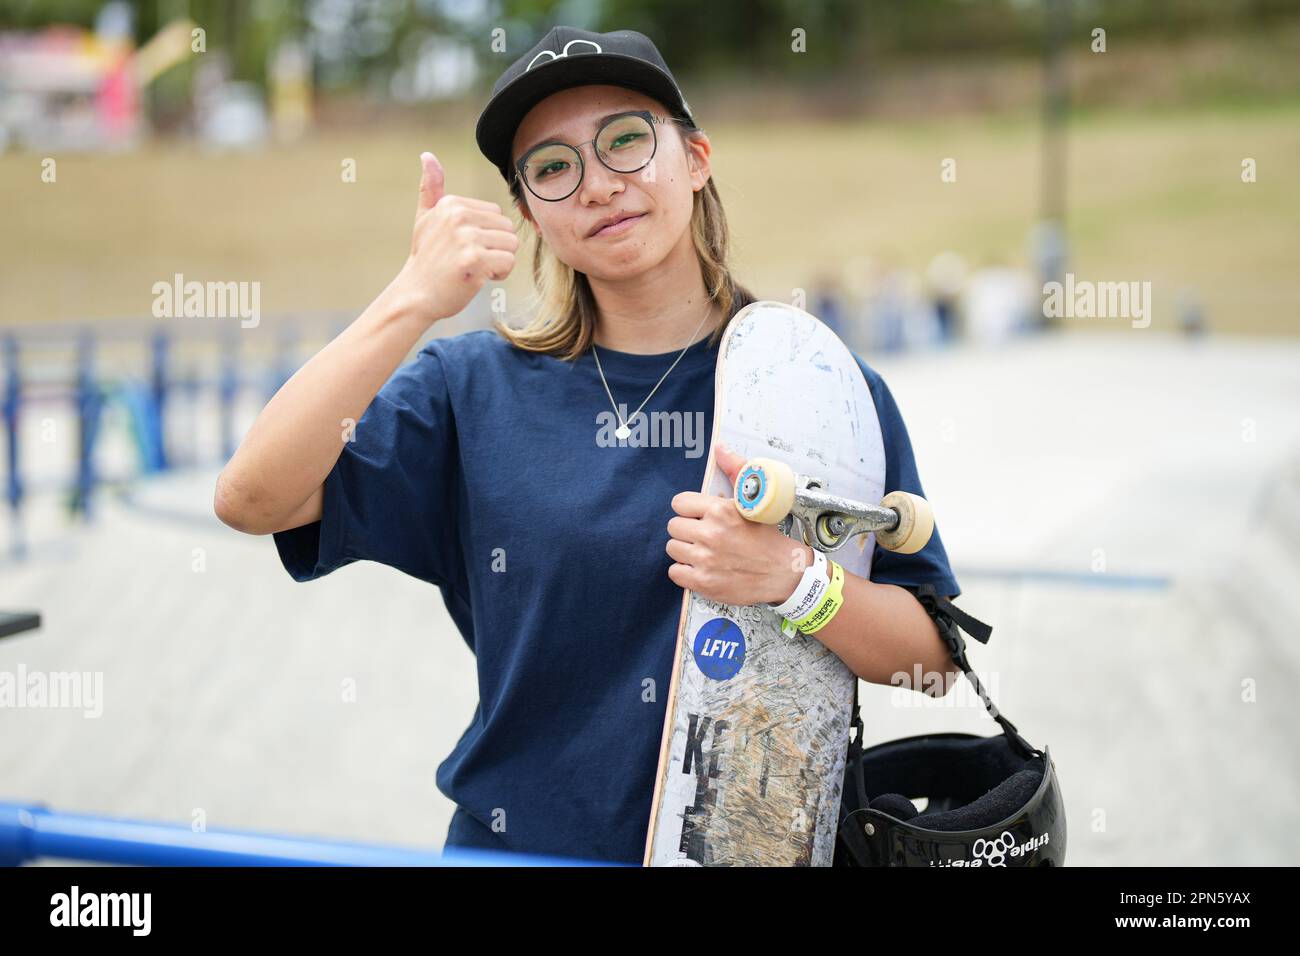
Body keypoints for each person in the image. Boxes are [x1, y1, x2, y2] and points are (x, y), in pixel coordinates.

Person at [213, 26, 961, 864]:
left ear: (696, 158)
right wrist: (411, 299)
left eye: (627, 141)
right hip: (517, 850)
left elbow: (927, 661)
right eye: (554, 167)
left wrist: (793, 581)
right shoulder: (471, 390)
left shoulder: (810, 384)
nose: (599, 184)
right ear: (528, 209)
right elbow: (251, 498)